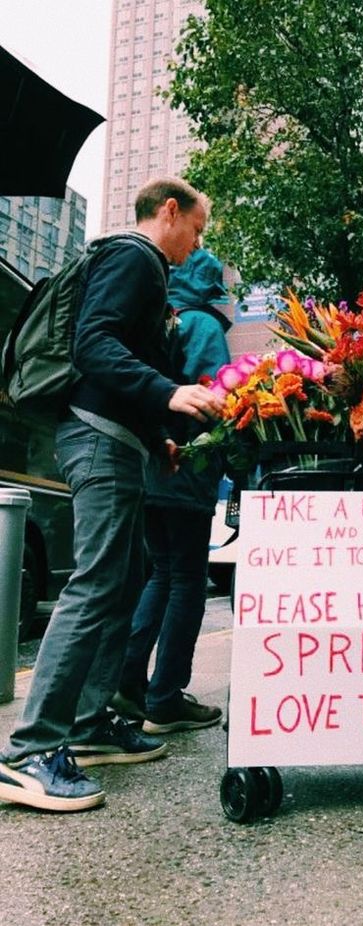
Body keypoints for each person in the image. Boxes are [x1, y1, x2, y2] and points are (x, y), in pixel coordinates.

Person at [0, 178, 225, 813]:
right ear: (170, 212)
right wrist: (170, 394)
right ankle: (29, 751)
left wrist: (158, 439)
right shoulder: (135, 257)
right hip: (97, 441)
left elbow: (120, 356)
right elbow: (94, 345)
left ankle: (88, 724)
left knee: (127, 579)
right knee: (98, 583)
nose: (197, 244)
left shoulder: (145, 268)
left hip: (121, 441)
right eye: (197, 230)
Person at [112, 249, 232, 733]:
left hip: (150, 464)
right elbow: (217, 396)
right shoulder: (202, 325)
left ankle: (129, 682)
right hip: (187, 465)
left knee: (159, 574)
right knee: (186, 579)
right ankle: (165, 697)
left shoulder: (162, 318)